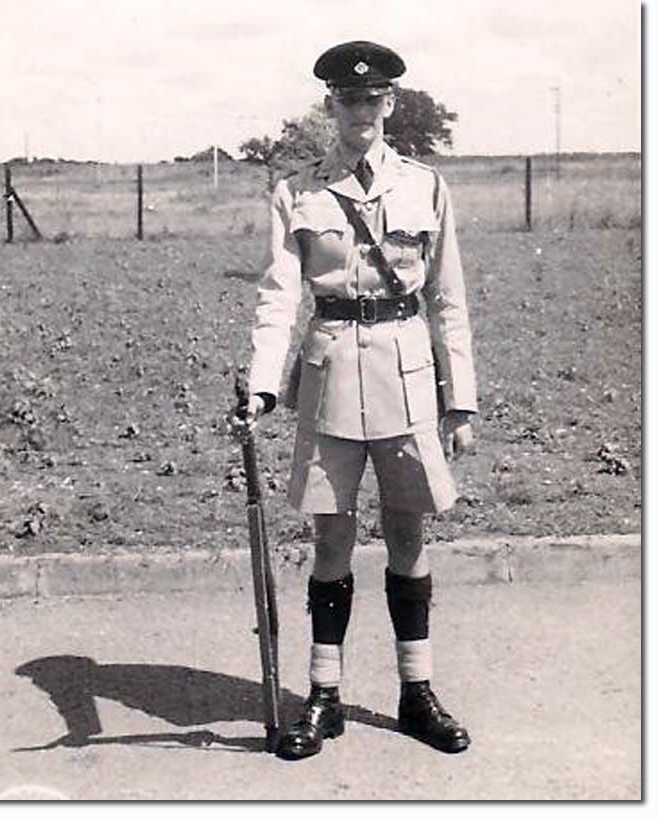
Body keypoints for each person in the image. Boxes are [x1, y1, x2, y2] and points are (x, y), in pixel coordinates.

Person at [235, 40, 477, 761]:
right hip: (332, 373)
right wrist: (261, 383)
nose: (360, 110)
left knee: (407, 537)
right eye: (347, 99)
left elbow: (447, 299)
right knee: (330, 541)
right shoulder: (297, 192)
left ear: (390, 104)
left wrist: (458, 399)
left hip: (405, 376)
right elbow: (279, 299)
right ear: (330, 106)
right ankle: (322, 693)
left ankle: (415, 690)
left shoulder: (425, 187)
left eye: (373, 99)